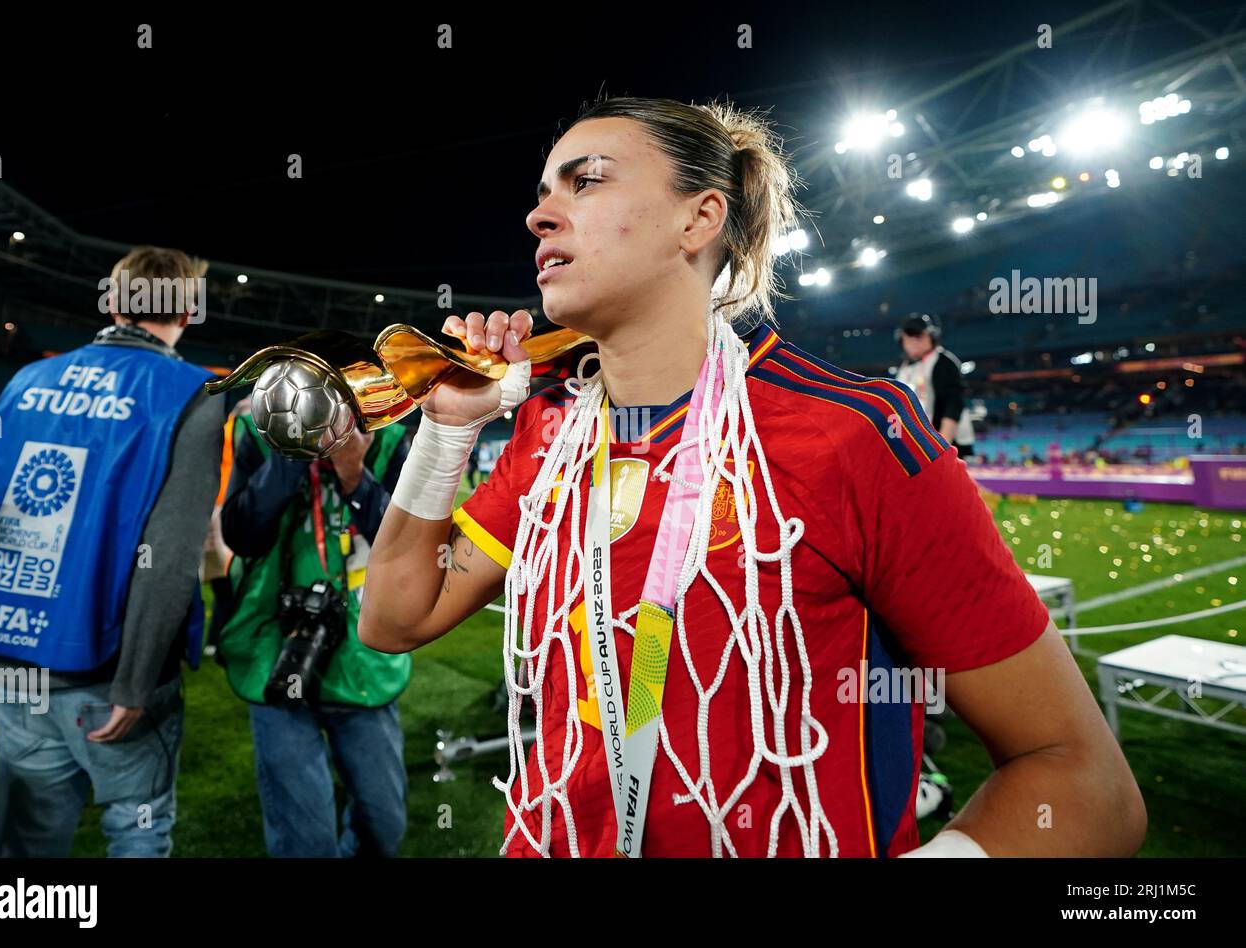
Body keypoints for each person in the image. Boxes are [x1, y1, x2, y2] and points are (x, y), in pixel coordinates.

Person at [357, 96, 1146, 858]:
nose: (539, 214)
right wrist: (445, 433)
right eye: (542, 193)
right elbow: (392, 620)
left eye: (585, 180)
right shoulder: (551, 433)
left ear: (699, 219)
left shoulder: (854, 437)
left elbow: (1082, 780)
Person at [0, 246, 224, 857]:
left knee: (23, 852)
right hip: (109, 667)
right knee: (135, 831)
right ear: (187, 308)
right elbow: (171, 552)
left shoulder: (27, 380)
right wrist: (137, 679)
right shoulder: (193, 394)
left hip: (14, 656)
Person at [218, 405, 411, 858]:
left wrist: (353, 476)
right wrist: (291, 453)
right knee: (305, 841)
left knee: (384, 824)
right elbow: (241, 534)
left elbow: (406, 546)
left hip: (364, 657)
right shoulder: (256, 431)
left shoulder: (390, 438)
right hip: (274, 649)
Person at [894, 312, 977, 459]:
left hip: (946, 443)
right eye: (908, 338)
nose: (913, 343)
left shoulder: (943, 362)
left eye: (919, 337)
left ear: (931, 337)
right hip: (920, 443)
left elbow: (953, 404)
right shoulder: (904, 368)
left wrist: (942, 446)